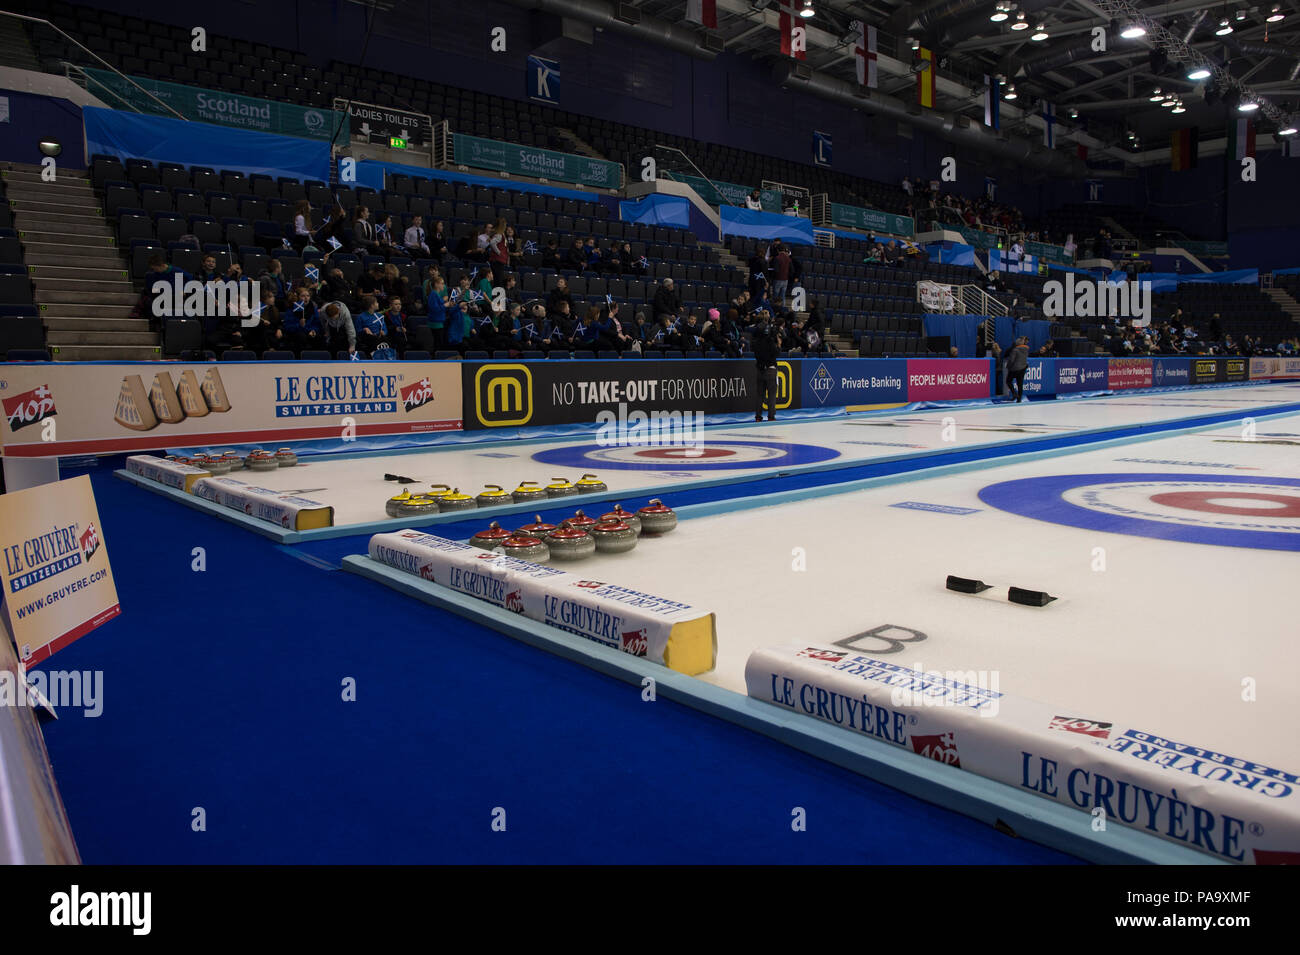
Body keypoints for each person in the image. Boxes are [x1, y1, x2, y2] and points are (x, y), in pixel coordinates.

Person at [751, 310, 780, 421]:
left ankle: (758, 416)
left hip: (760, 369)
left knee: (760, 394)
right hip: (770, 369)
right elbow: (776, 353)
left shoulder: (755, 342)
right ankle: (771, 416)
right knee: (772, 394)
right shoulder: (770, 341)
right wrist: (779, 344)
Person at [1006, 336, 1029, 403]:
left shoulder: (1015, 350)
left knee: (1008, 381)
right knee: (1020, 384)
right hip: (1022, 369)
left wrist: (1008, 367)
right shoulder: (1026, 350)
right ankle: (1019, 399)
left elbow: (1011, 360)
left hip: (1014, 369)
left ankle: (1015, 394)